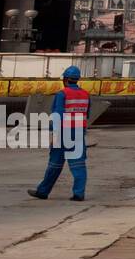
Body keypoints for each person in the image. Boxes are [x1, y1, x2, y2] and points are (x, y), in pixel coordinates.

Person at [28, 66, 89, 202]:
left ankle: (43, 192)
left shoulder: (62, 94)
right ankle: (79, 194)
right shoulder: (86, 94)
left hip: (63, 133)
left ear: (66, 79)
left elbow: (57, 116)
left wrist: (53, 135)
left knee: (54, 165)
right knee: (79, 165)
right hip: (78, 133)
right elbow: (87, 115)